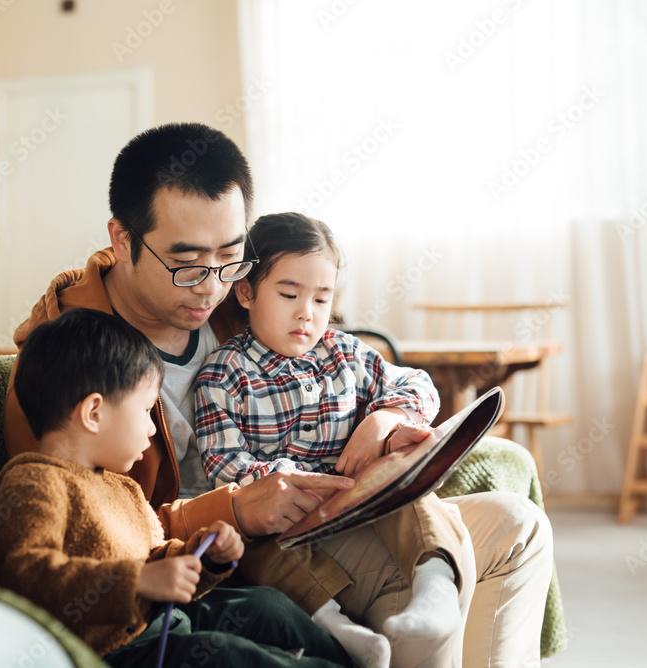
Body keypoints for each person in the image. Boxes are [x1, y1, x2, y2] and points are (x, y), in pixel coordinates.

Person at [3, 122, 554, 667]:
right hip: (247, 553)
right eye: (188, 264)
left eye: (230, 257)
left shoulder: (241, 297)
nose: (212, 286)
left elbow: (343, 357)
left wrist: (385, 416)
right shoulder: (68, 352)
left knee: (517, 526)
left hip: (329, 506)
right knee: (409, 589)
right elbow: (101, 529)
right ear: (123, 239)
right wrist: (236, 507)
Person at [0, 308, 351, 667]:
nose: (153, 429)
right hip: (108, 651)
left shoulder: (123, 489)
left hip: (162, 624)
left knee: (269, 607)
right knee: (226, 656)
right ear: (94, 413)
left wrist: (202, 557)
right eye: (144, 412)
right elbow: (22, 576)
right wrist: (138, 582)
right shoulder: (33, 481)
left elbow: (156, 558)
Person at [195, 212, 473, 667]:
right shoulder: (223, 375)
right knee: (256, 555)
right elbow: (224, 464)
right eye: (289, 295)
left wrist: (382, 422)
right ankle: (337, 627)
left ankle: (435, 588)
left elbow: (418, 385)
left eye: (321, 299)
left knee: (411, 491)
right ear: (246, 291)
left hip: (364, 500)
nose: (307, 313)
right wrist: (288, 480)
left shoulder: (343, 352)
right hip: (291, 521)